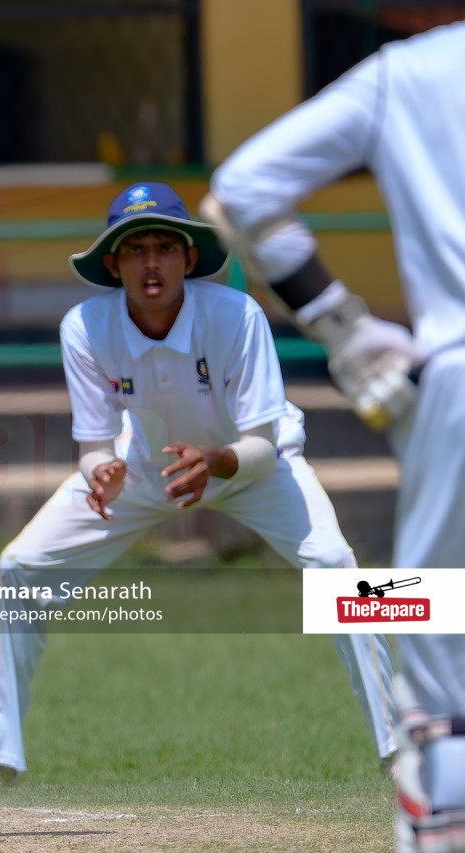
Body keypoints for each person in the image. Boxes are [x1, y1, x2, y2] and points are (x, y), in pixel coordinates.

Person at [0, 182, 396, 791]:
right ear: (113, 264)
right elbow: (95, 446)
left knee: (337, 567)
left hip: (255, 467)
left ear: (188, 258)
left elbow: (262, 445)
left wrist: (217, 460)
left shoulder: (237, 316)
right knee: (20, 565)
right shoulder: (84, 326)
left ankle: (401, 751)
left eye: (163, 247)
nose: (150, 262)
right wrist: (99, 474)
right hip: (147, 471)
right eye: (134, 250)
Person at [202, 20, 465, 853]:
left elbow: (239, 190)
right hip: (211, 467)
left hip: (447, 383)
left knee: (433, 659)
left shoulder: (405, 74)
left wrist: (342, 326)